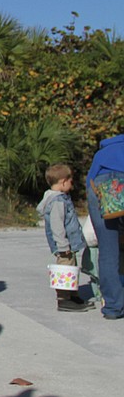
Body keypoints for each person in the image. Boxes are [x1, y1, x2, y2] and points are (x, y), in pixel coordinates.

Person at [37, 163, 93, 312]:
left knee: (72, 269)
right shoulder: (57, 201)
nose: (72, 184)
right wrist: (62, 245)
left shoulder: (61, 198)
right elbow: (57, 226)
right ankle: (63, 299)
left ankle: (73, 295)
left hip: (69, 244)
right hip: (64, 246)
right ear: (63, 182)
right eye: (70, 181)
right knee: (64, 270)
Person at [85, 134, 124, 320]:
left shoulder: (102, 153)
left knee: (108, 252)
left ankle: (113, 308)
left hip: (100, 190)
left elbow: (89, 182)